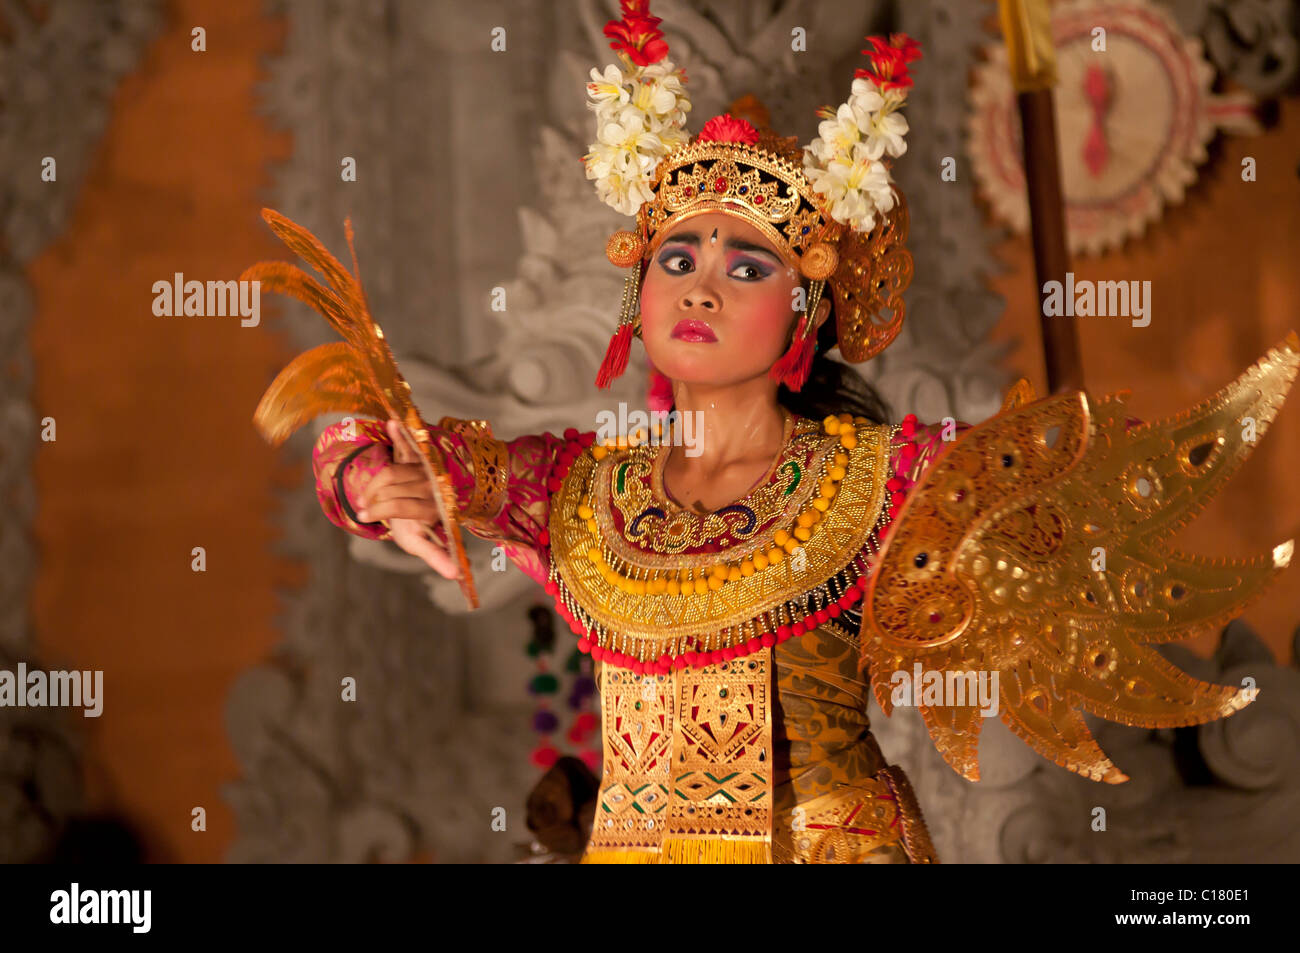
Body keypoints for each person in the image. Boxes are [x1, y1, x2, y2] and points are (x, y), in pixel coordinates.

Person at [270, 2, 1297, 863]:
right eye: (676, 261)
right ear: (635, 297)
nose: (701, 288)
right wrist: (370, 481)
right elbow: (360, 426)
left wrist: (1059, 517)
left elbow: (1061, 520)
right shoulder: (579, 490)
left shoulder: (891, 474)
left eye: (746, 268)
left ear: (805, 316)